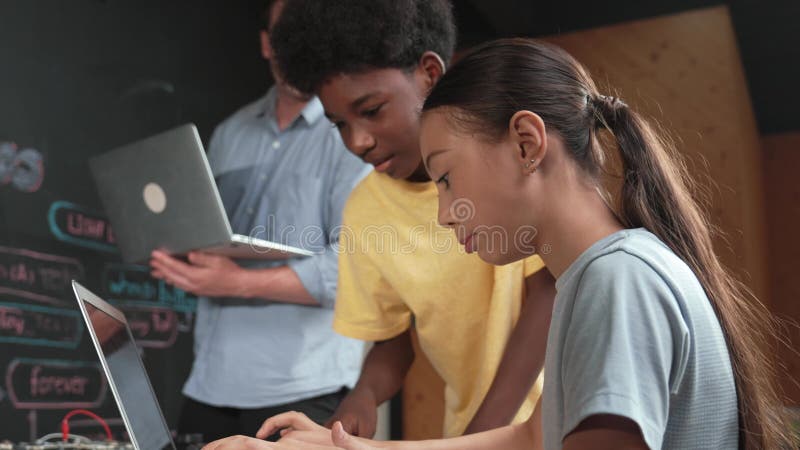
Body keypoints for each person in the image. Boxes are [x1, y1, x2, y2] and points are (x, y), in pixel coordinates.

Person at [204, 38, 793, 450]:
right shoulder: (599, 277)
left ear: (526, 142)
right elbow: (531, 438)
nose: (444, 211)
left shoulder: (617, 282)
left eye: (448, 177)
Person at [268, 0, 556, 439]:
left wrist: (481, 433)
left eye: (371, 110)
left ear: (429, 74)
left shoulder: (504, 158)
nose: (358, 141)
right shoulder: (365, 210)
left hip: (559, 422)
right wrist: (363, 393)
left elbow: (548, 293)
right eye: (338, 125)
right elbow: (392, 338)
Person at [148, 0, 369, 442]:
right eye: (288, 32)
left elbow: (357, 268)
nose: (300, 44)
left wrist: (236, 282)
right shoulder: (230, 133)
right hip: (210, 380)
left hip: (302, 385)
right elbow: (206, 231)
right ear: (267, 44)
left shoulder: (352, 134)